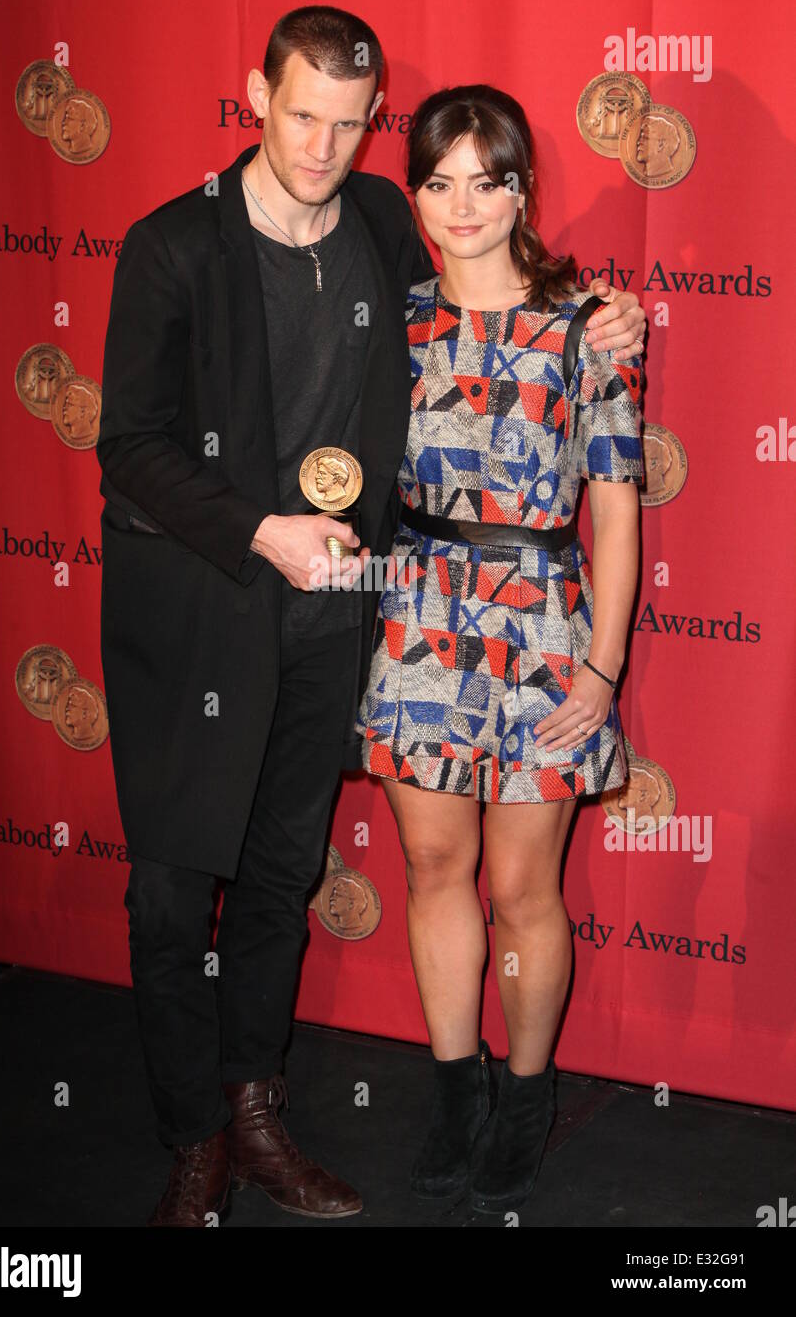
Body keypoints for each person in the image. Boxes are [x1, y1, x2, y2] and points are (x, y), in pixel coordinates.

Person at [96, 6, 647, 1227]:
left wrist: (604, 312)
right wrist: (261, 528)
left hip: (441, 626)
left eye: (350, 126)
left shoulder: (441, 264)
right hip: (303, 621)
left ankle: (413, 1102)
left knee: (386, 885)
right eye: (304, 115)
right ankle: (253, 1129)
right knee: (228, 891)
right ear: (256, 95)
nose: (325, 145)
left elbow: (601, 478)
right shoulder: (229, 256)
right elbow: (129, 439)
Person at [356, 84, 646, 1215]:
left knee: (524, 886)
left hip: (541, 624)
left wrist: (600, 665)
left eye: (486, 179)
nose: (459, 205)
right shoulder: (395, 316)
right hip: (416, 612)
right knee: (433, 871)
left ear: (522, 185)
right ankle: (452, 1092)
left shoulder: (588, 328)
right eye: (436, 181)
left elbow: (616, 510)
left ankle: (526, 1097)